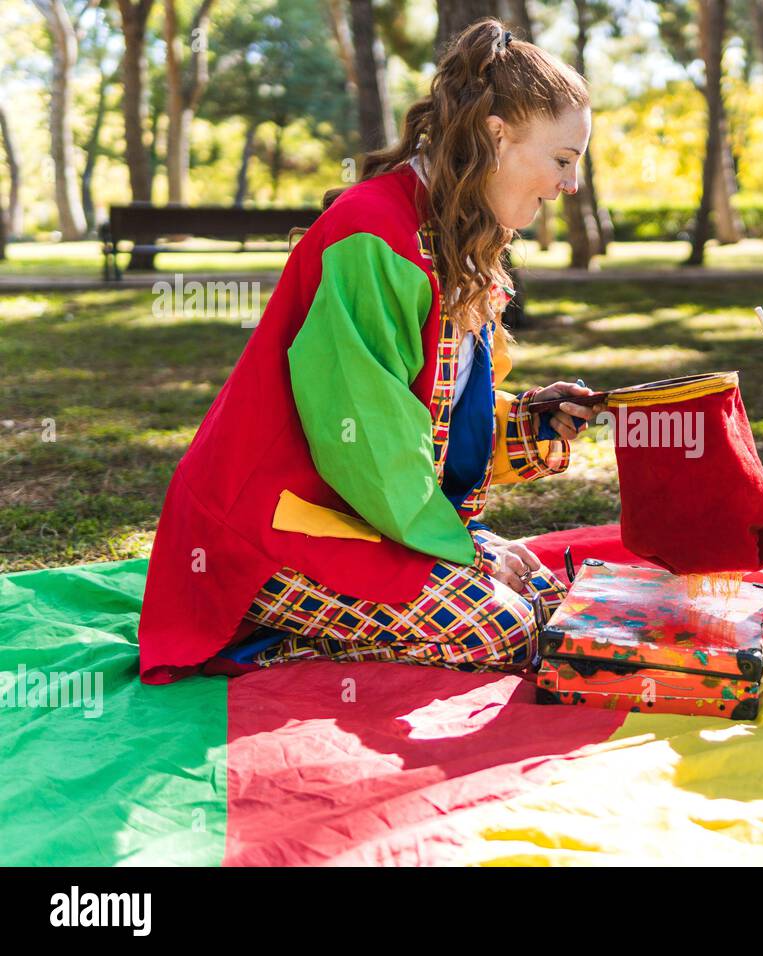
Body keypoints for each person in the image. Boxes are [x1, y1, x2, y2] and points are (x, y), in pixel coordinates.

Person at [137, 19, 605, 683]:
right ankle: (255, 637)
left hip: (355, 514)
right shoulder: (375, 232)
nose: (570, 184)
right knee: (508, 628)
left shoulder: (454, 236)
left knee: (544, 598)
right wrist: (466, 556)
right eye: (563, 159)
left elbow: (427, 413)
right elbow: (369, 444)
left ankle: (312, 625)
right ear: (498, 136)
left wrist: (530, 420)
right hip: (264, 533)